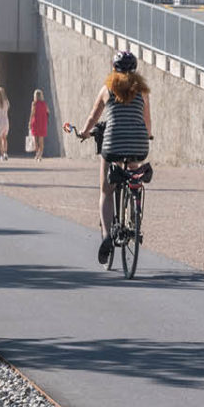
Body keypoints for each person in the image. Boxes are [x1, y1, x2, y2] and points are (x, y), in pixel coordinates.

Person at [76, 51, 153, 265]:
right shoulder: (142, 91)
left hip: (113, 143)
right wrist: (147, 135)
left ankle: (106, 236)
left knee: (105, 190)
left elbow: (94, 116)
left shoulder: (107, 88)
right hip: (138, 143)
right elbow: (147, 121)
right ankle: (135, 197)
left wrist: (83, 132)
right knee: (133, 166)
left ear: (114, 69)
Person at [29, 88, 50, 161]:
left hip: (36, 122)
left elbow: (32, 114)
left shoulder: (34, 103)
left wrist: (30, 122)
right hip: (43, 122)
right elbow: (48, 111)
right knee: (41, 140)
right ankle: (40, 155)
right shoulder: (44, 104)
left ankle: (37, 154)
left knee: (35, 140)